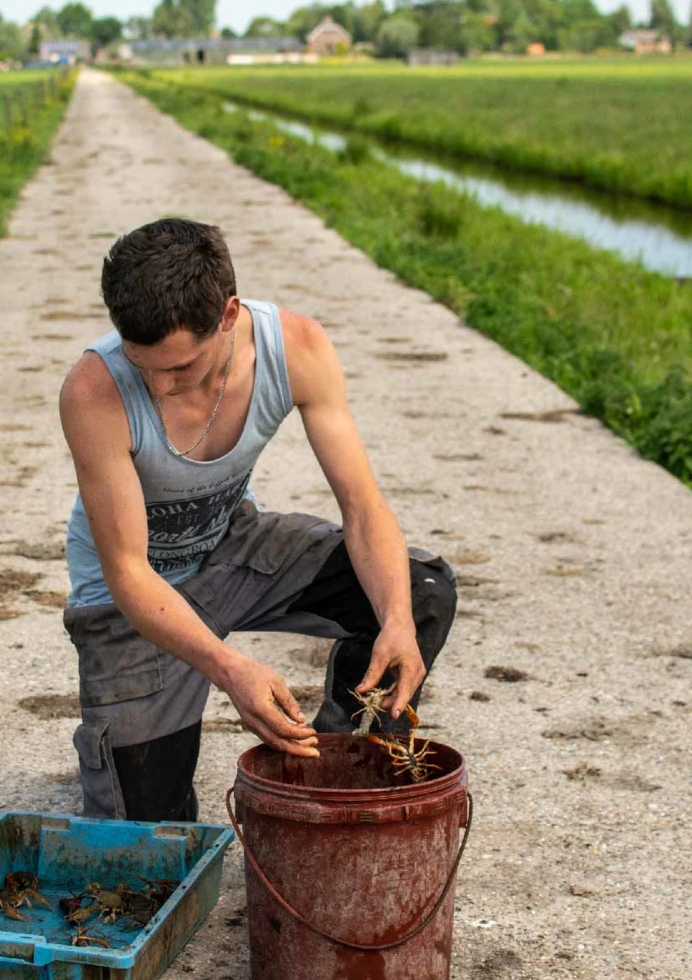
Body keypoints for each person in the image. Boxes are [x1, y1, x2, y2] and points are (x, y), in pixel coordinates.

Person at [58, 218, 456, 822]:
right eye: (144, 367)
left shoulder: (295, 348)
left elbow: (363, 506)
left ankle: (339, 776)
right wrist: (230, 668)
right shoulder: (94, 391)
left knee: (419, 588)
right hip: (131, 602)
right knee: (147, 841)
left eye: (181, 368)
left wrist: (396, 619)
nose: (159, 386)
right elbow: (126, 570)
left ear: (227, 314)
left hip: (232, 547)